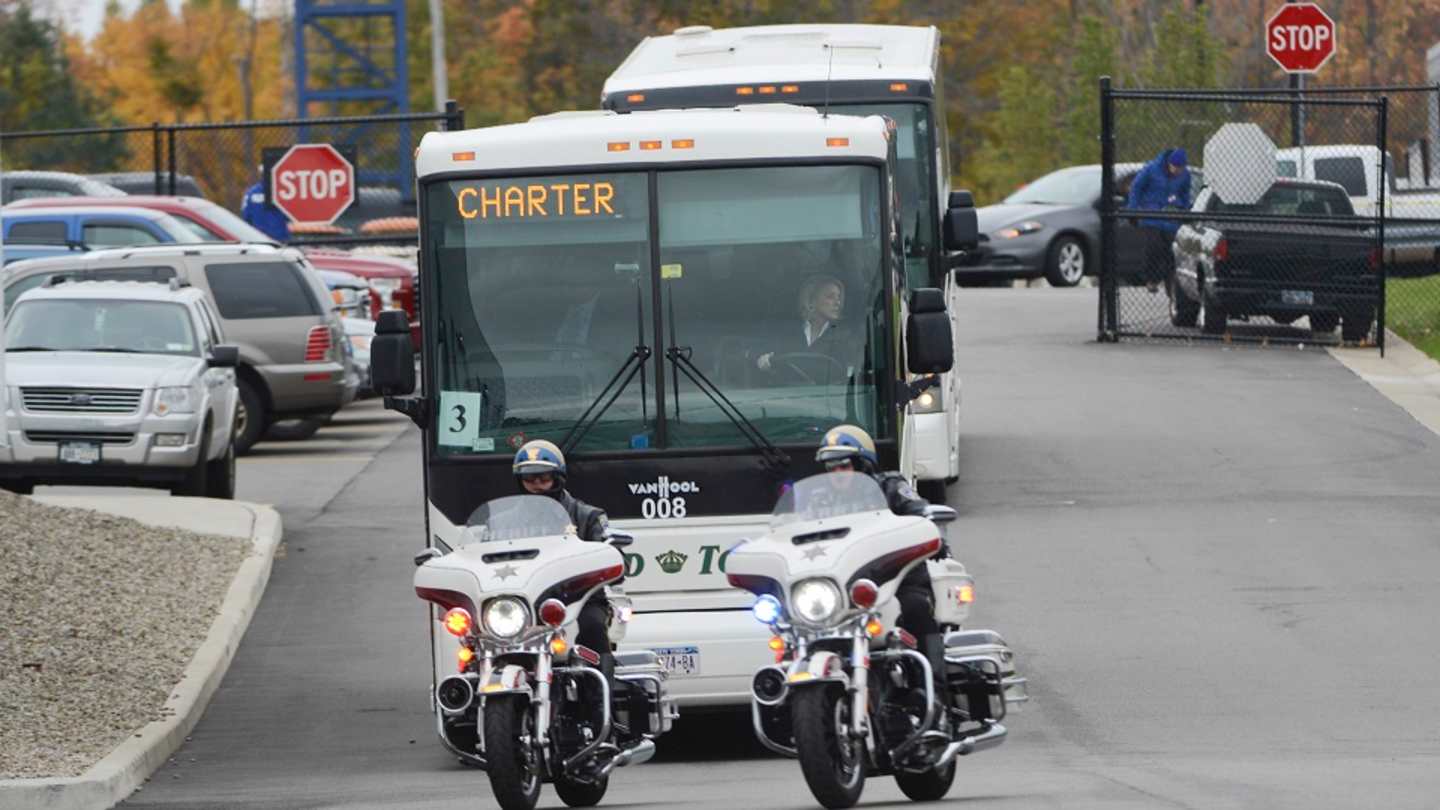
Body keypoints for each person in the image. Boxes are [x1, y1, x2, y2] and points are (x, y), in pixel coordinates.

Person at [814, 424, 949, 701]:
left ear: (863, 464)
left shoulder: (890, 486)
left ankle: (935, 691)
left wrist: (933, 533)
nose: (837, 473)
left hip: (898, 580)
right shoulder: (818, 501)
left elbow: (919, 511)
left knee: (915, 609)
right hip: (844, 588)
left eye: (844, 465)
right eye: (831, 467)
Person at [511, 439, 614, 676]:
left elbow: (617, 557)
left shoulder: (587, 516)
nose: (537, 485)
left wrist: (610, 559)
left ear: (558, 478)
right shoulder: (501, 523)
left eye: (544, 478)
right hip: (526, 601)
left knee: (593, 626)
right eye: (530, 479)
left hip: (581, 598)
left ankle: (599, 703)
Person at [753, 274, 854, 382]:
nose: (837, 302)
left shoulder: (846, 337)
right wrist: (764, 360)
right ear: (811, 301)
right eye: (830, 297)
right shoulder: (788, 332)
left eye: (839, 297)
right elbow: (761, 353)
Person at [1126, 147, 1193, 291]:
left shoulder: (1185, 175)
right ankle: (1152, 279)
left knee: (1171, 252)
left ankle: (1172, 283)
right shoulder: (1151, 169)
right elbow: (1136, 188)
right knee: (1154, 246)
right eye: (1175, 167)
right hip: (1152, 216)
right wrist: (1133, 209)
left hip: (1171, 218)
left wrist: (1185, 209)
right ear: (1169, 163)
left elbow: (1185, 194)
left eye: (1180, 168)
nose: (1177, 171)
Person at [241, 164, 290, 243]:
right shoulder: (284, 192)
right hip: (280, 239)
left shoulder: (251, 193)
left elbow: (246, 216)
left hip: (258, 239)